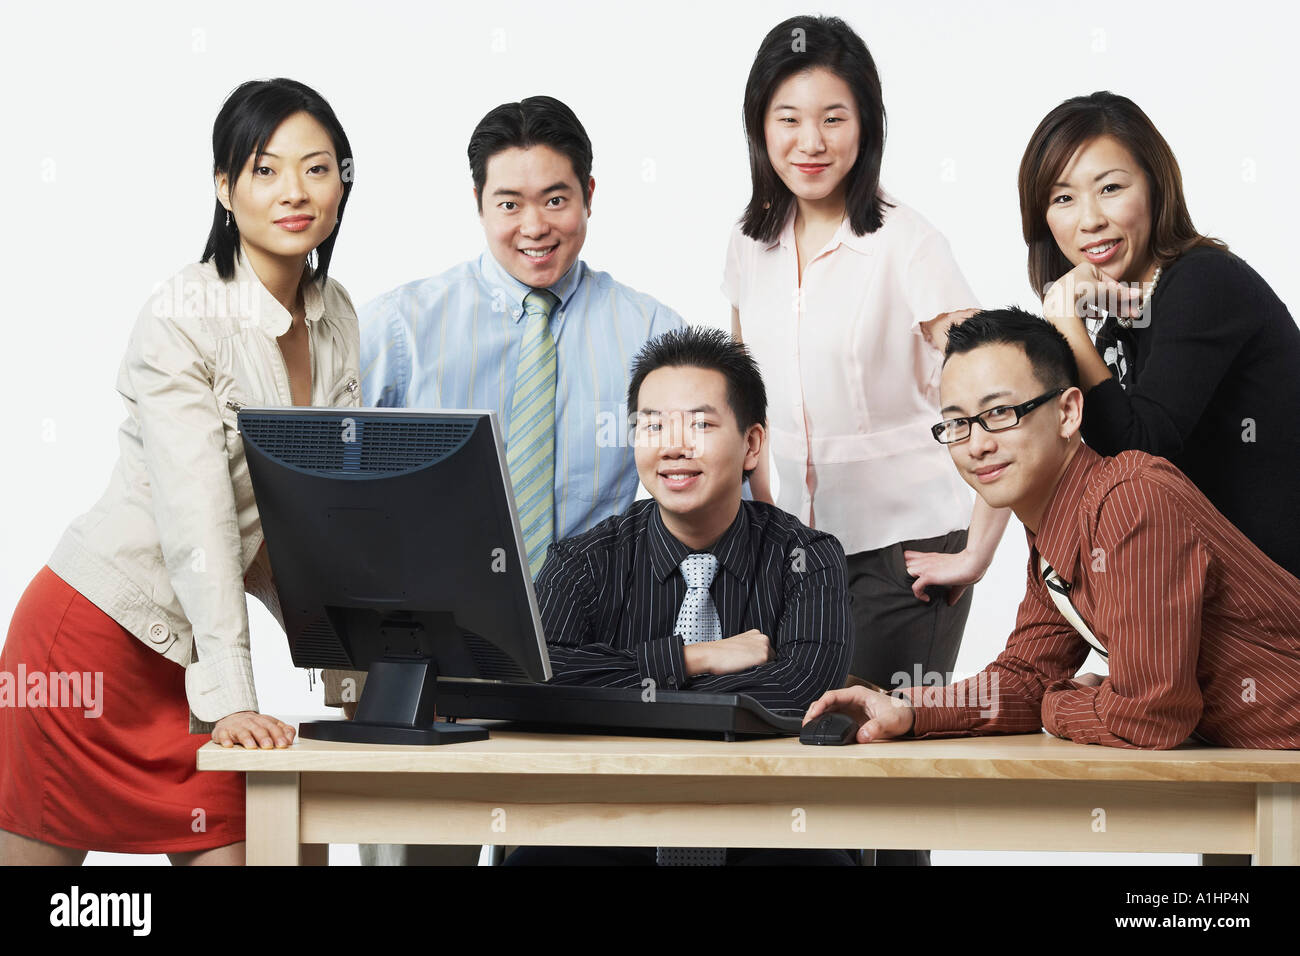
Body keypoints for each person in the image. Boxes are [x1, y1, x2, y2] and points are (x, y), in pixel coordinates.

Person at [0, 78, 360, 865]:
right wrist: (233, 699)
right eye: (264, 170)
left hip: (197, 657)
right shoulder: (183, 315)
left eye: (317, 167)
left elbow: (308, 525)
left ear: (344, 181)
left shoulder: (337, 317)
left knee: (263, 845)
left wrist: (360, 677)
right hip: (90, 646)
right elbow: (198, 521)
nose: (294, 192)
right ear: (225, 189)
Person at [323, 94, 683, 866]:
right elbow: (328, 483)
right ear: (478, 204)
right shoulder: (400, 327)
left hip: (584, 658)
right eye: (509, 202)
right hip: (430, 656)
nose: (534, 226)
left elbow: (709, 491)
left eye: (556, 199)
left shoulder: (649, 332)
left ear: (591, 194)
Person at [723, 13, 1009, 864]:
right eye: (789, 119)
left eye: (834, 117)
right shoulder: (750, 245)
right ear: (759, 127)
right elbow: (749, 413)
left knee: (874, 778)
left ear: (867, 124)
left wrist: (978, 552)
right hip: (801, 556)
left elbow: (1000, 401)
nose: (811, 141)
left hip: (904, 552)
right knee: (800, 779)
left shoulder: (907, 242)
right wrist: (762, 525)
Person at [806, 308, 1300, 750]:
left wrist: (1058, 705)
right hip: (1261, 768)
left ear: (1068, 412)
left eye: (1000, 413)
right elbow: (1027, 675)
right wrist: (909, 709)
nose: (975, 444)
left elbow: (1150, 717)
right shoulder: (1056, 529)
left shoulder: (1130, 501)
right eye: (957, 423)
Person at [506, 326, 855, 865]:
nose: (673, 445)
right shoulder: (586, 559)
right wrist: (692, 657)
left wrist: (616, 698)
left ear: (752, 444)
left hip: (768, 821)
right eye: (653, 425)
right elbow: (533, 675)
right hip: (613, 821)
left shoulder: (806, 558)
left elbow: (803, 690)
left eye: (701, 423)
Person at [1021, 90, 1300, 578]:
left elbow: (1140, 457)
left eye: (1110, 188)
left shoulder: (1204, 281)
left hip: (1275, 604)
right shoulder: (1113, 309)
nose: (1090, 219)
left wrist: (1065, 321)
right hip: (1197, 585)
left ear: (1154, 186)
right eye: (1063, 198)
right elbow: (1039, 440)